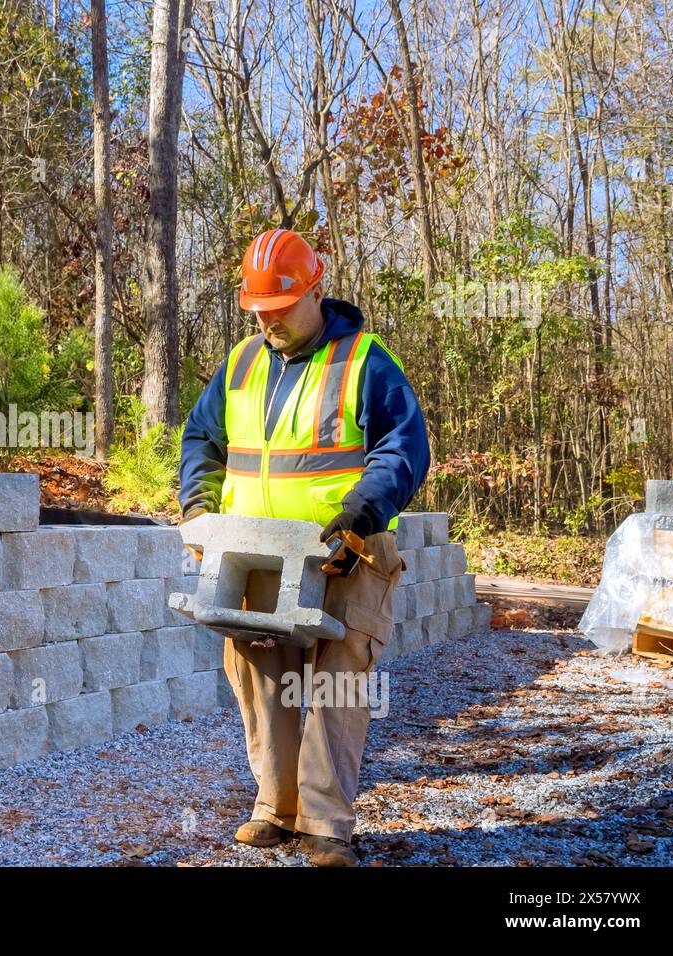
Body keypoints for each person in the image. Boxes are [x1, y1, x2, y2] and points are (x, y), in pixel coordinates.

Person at [178, 228, 430, 866]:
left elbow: (403, 447)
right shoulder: (240, 364)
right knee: (264, 681)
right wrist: (200, 510)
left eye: (280, 309)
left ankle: (324, 824)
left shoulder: (364, 361)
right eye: (258, 311)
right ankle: (275, 806)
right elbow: (202, 441)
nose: (268, 322)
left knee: (336, 685)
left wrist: (363, 510)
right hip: (257, 553)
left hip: (347, 551)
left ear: (315, 289)